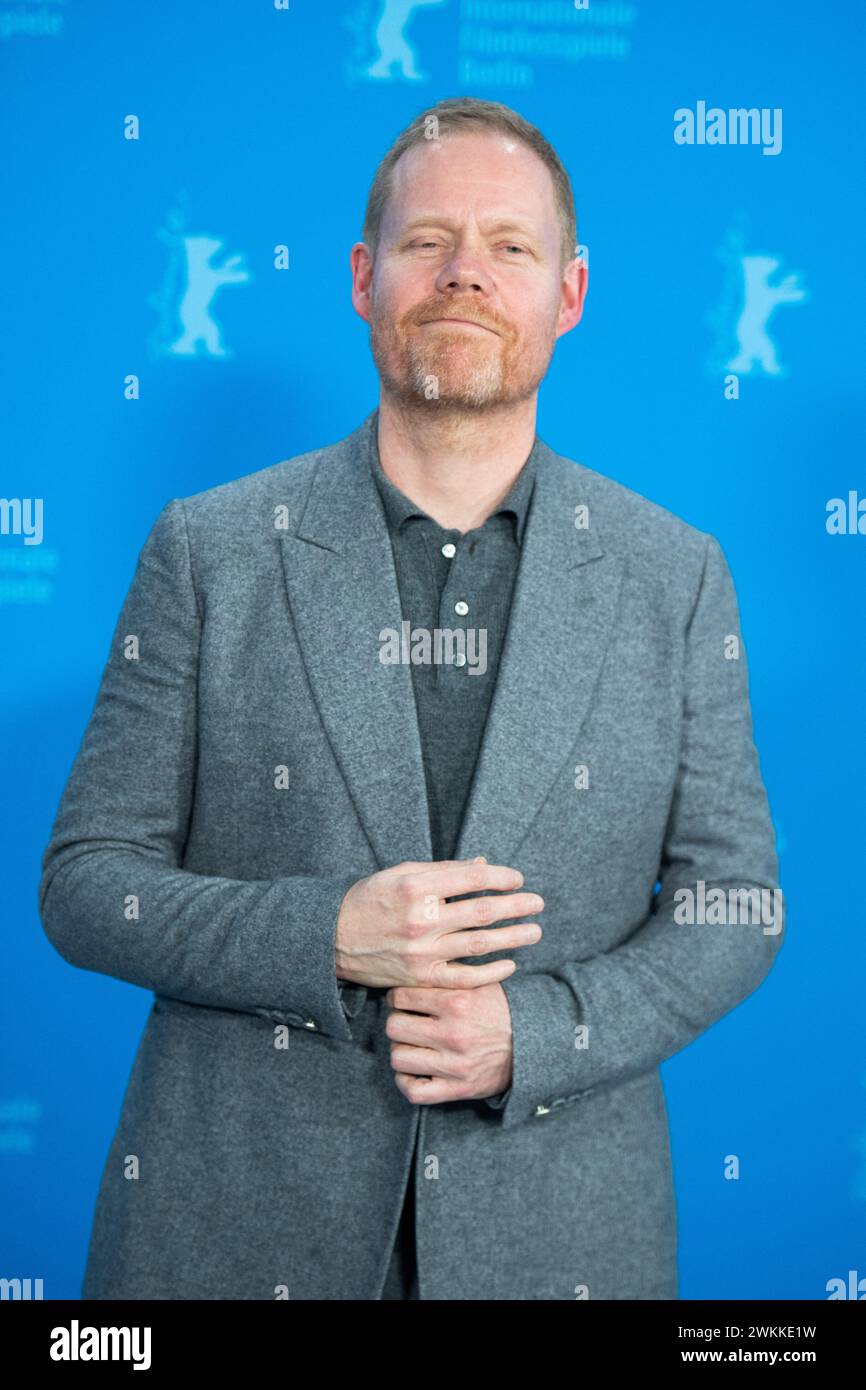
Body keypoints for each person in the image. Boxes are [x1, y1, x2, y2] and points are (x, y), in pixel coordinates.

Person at [39, 96, 784, 1301]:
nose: (464, 276)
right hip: (228, 1236)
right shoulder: (211, 549)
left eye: (509, 247)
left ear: (569, 295)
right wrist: (323, 934)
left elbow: (734, 903)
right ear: (362, 277)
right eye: (426, 241)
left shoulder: (674, 575)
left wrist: (534, 1035)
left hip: (560, 1249)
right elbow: (85, 883)